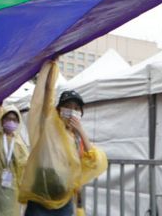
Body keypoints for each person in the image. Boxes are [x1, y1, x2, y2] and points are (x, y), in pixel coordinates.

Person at [19, 61, 105, 216]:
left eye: (76, 108)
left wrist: (80, 131)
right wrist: (51, 67)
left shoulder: (76, 139)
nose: (72, 111)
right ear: (58, 110)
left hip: (64, 203)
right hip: (40, 200)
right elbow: (45, 100)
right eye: (68, 106)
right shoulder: (48, 128)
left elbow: (94, 160)